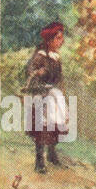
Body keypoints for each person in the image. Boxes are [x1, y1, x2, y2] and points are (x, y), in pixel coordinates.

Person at [23, 22, 68, 174]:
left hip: (54, 94)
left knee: (56, 123)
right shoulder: (40, 55)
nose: (61, 41)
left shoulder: (56, 57)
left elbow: (59, 78)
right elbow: (30, 70)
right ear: (49, 40)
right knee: (42, 126)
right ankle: (39, 160)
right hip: (41, 94)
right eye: (58, 38)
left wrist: (61, 92)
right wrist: (38, 72)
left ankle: (52, 153)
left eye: (61, 38)